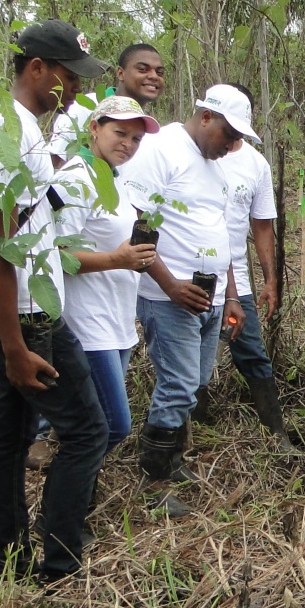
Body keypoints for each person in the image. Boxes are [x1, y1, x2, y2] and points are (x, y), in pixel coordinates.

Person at [0, 19, 111, 583]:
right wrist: (14, 346)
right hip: (22, 311)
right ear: (37, 69)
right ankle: (59, 563)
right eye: (68, 76)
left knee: (13, 429)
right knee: (86, 432)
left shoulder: (14, 126)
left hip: (18, 307)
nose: (74, 88)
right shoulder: (7, 135)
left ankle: (10, 551)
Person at [121, 84, 254, 514]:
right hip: (169, 295)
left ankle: (171, 457)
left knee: (194, 383)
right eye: (229, 135)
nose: (232, 146)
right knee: (178, 383)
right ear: (206, 117)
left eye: (239, 140)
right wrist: (169, 285)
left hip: (210, 296)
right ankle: (154, 479)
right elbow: (136, 226)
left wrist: (232, 296)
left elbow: (225, 238)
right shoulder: (161, 150)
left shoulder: (216, 169)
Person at [52, 95, 161, 457]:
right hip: (87, 321)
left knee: (97, 422)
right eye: (120, 133)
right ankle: (63, 499)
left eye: (135, 139)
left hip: (117, 318)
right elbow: (58, 255)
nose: (127, 144)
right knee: (112, 423)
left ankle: (79, 496)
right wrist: (117, 259)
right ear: (94, 129)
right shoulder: (74, 179)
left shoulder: (112, 179)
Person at [215, 83, 292, 448]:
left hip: (236, 283)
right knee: (191, 364)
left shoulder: (255, 164)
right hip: (191, 277)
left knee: (252, 353)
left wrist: (270, 279)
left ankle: (277, 435)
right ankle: (193, 430)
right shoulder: (193, 155)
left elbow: (262, 226)